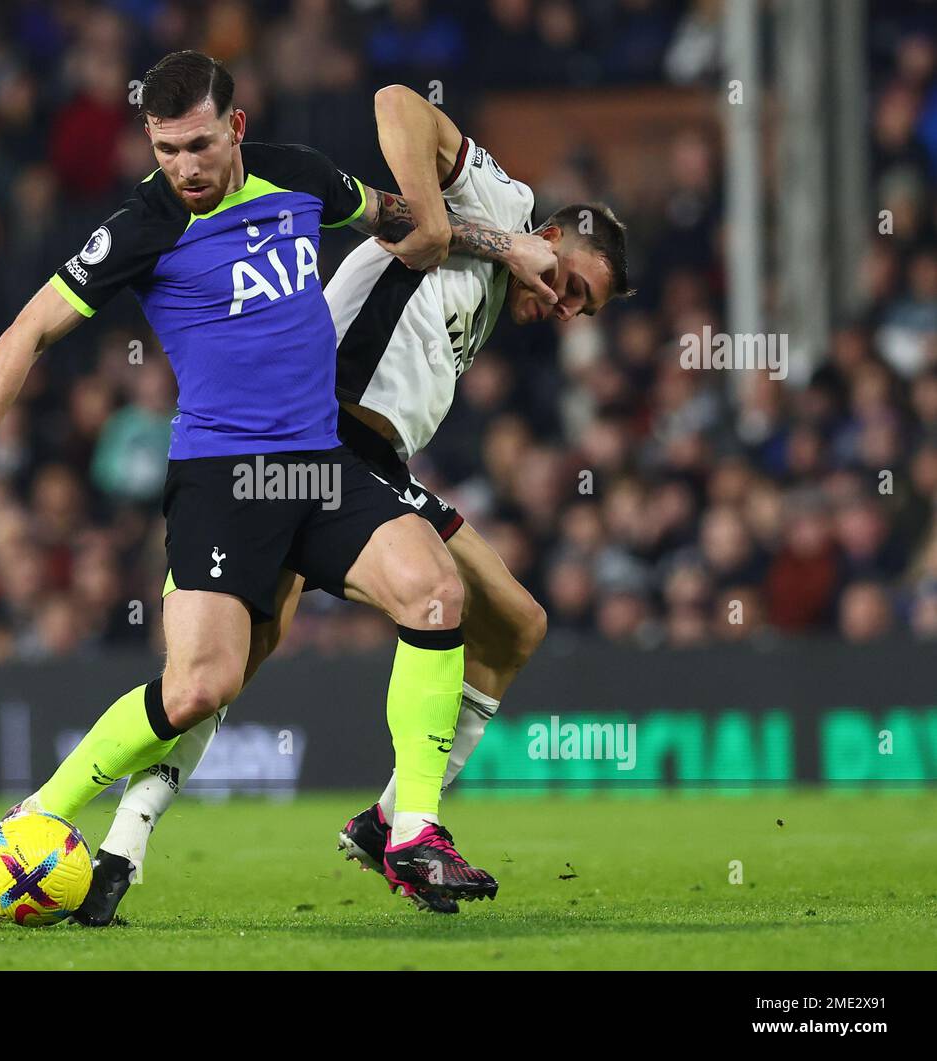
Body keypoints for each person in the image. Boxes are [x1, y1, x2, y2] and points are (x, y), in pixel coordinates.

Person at [0, 53, 545, 917]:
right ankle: (40, 810)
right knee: (201, 685)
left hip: (320, 464)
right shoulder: (141, 225)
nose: (183, 168)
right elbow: (27, 330)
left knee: (433, 592)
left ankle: (413, 827)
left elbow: (406, 220)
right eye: (164, 149)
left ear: (233, 128)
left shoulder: (299, 176)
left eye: (196, 145)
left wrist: (509, 246)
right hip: (224, 478)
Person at [84, 84, 633, 922]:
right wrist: (433, 212)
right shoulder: (499, 200)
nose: (562, 305)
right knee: (233, 661)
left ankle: (387, 820)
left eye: (580, 307)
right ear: (548, 235)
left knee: (511, 623)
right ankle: (132, 836)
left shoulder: (496, 274)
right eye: (569, 282)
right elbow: (398, 103)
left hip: (374, 454)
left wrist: (483, 251)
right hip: (318, 425)